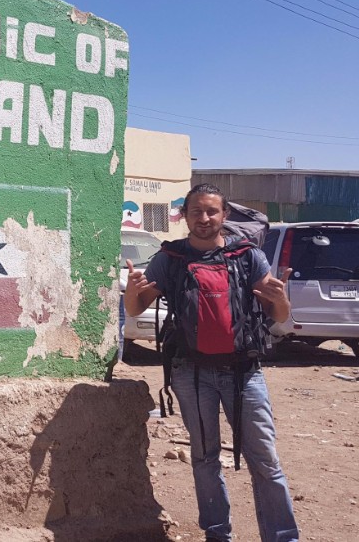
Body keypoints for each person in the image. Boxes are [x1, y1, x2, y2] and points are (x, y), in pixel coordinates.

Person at [125, 184, 299, 542]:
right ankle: (217, 535)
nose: (204, 218)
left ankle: (283, 537)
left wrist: (282, 300)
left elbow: (280, 316)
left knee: (265, 460)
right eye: (196, 212)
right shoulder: (170, 258)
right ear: (184, 216)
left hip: (244, 373)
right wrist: (132, 289)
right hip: (191, 372)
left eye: (211, 211)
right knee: (205, 458)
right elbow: (136, 308)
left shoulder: (248, 256)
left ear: (224, 215)